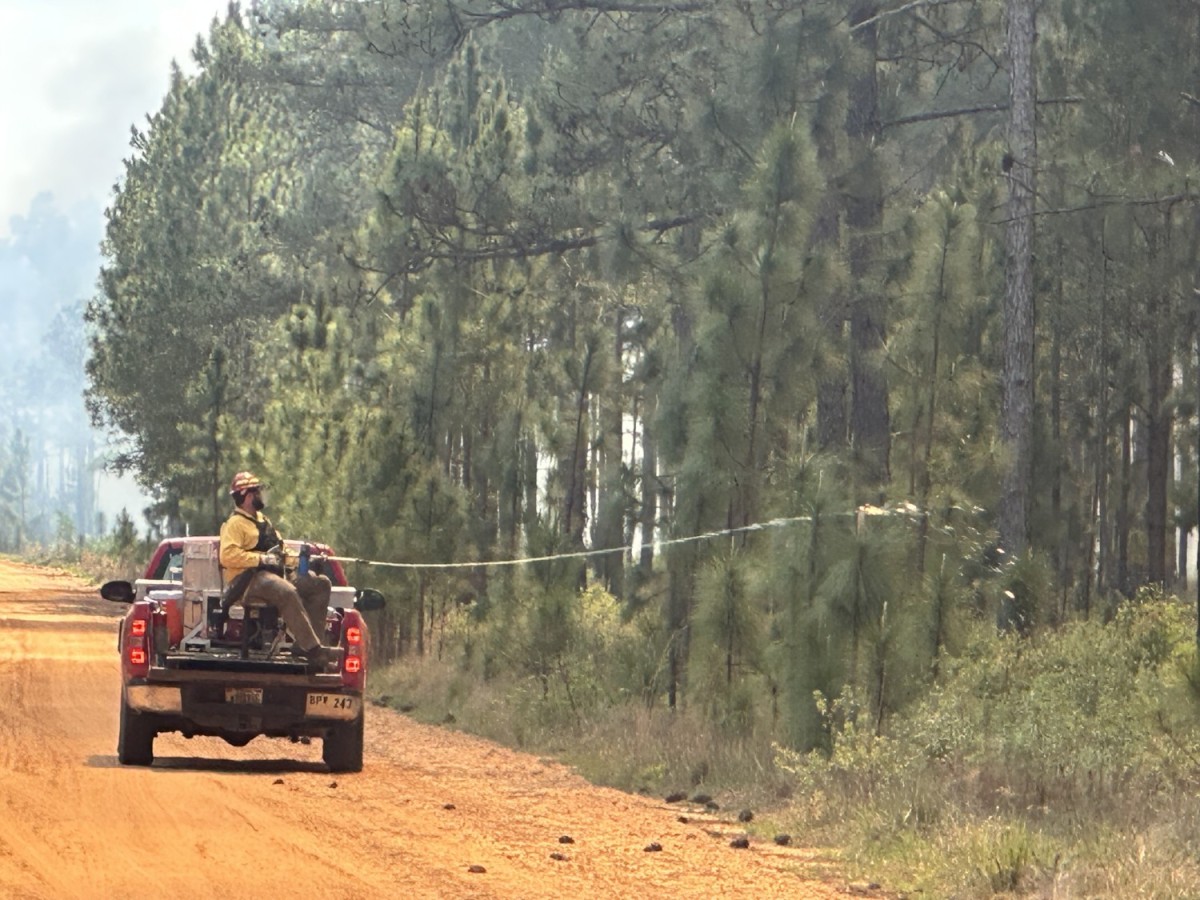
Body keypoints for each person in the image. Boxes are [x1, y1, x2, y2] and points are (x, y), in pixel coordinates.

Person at [218, 471, 339, 670]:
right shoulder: (234, 524)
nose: (261, 496)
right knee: (286, 591)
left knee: (320, 584)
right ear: (248, 496)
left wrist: (303, 561)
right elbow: (227, 556)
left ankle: (305, 645)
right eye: (257, 492)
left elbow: (281, 550)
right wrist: (261, 558)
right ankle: (314, 649)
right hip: (247, 581)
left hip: (274, 575)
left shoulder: (264, 521)